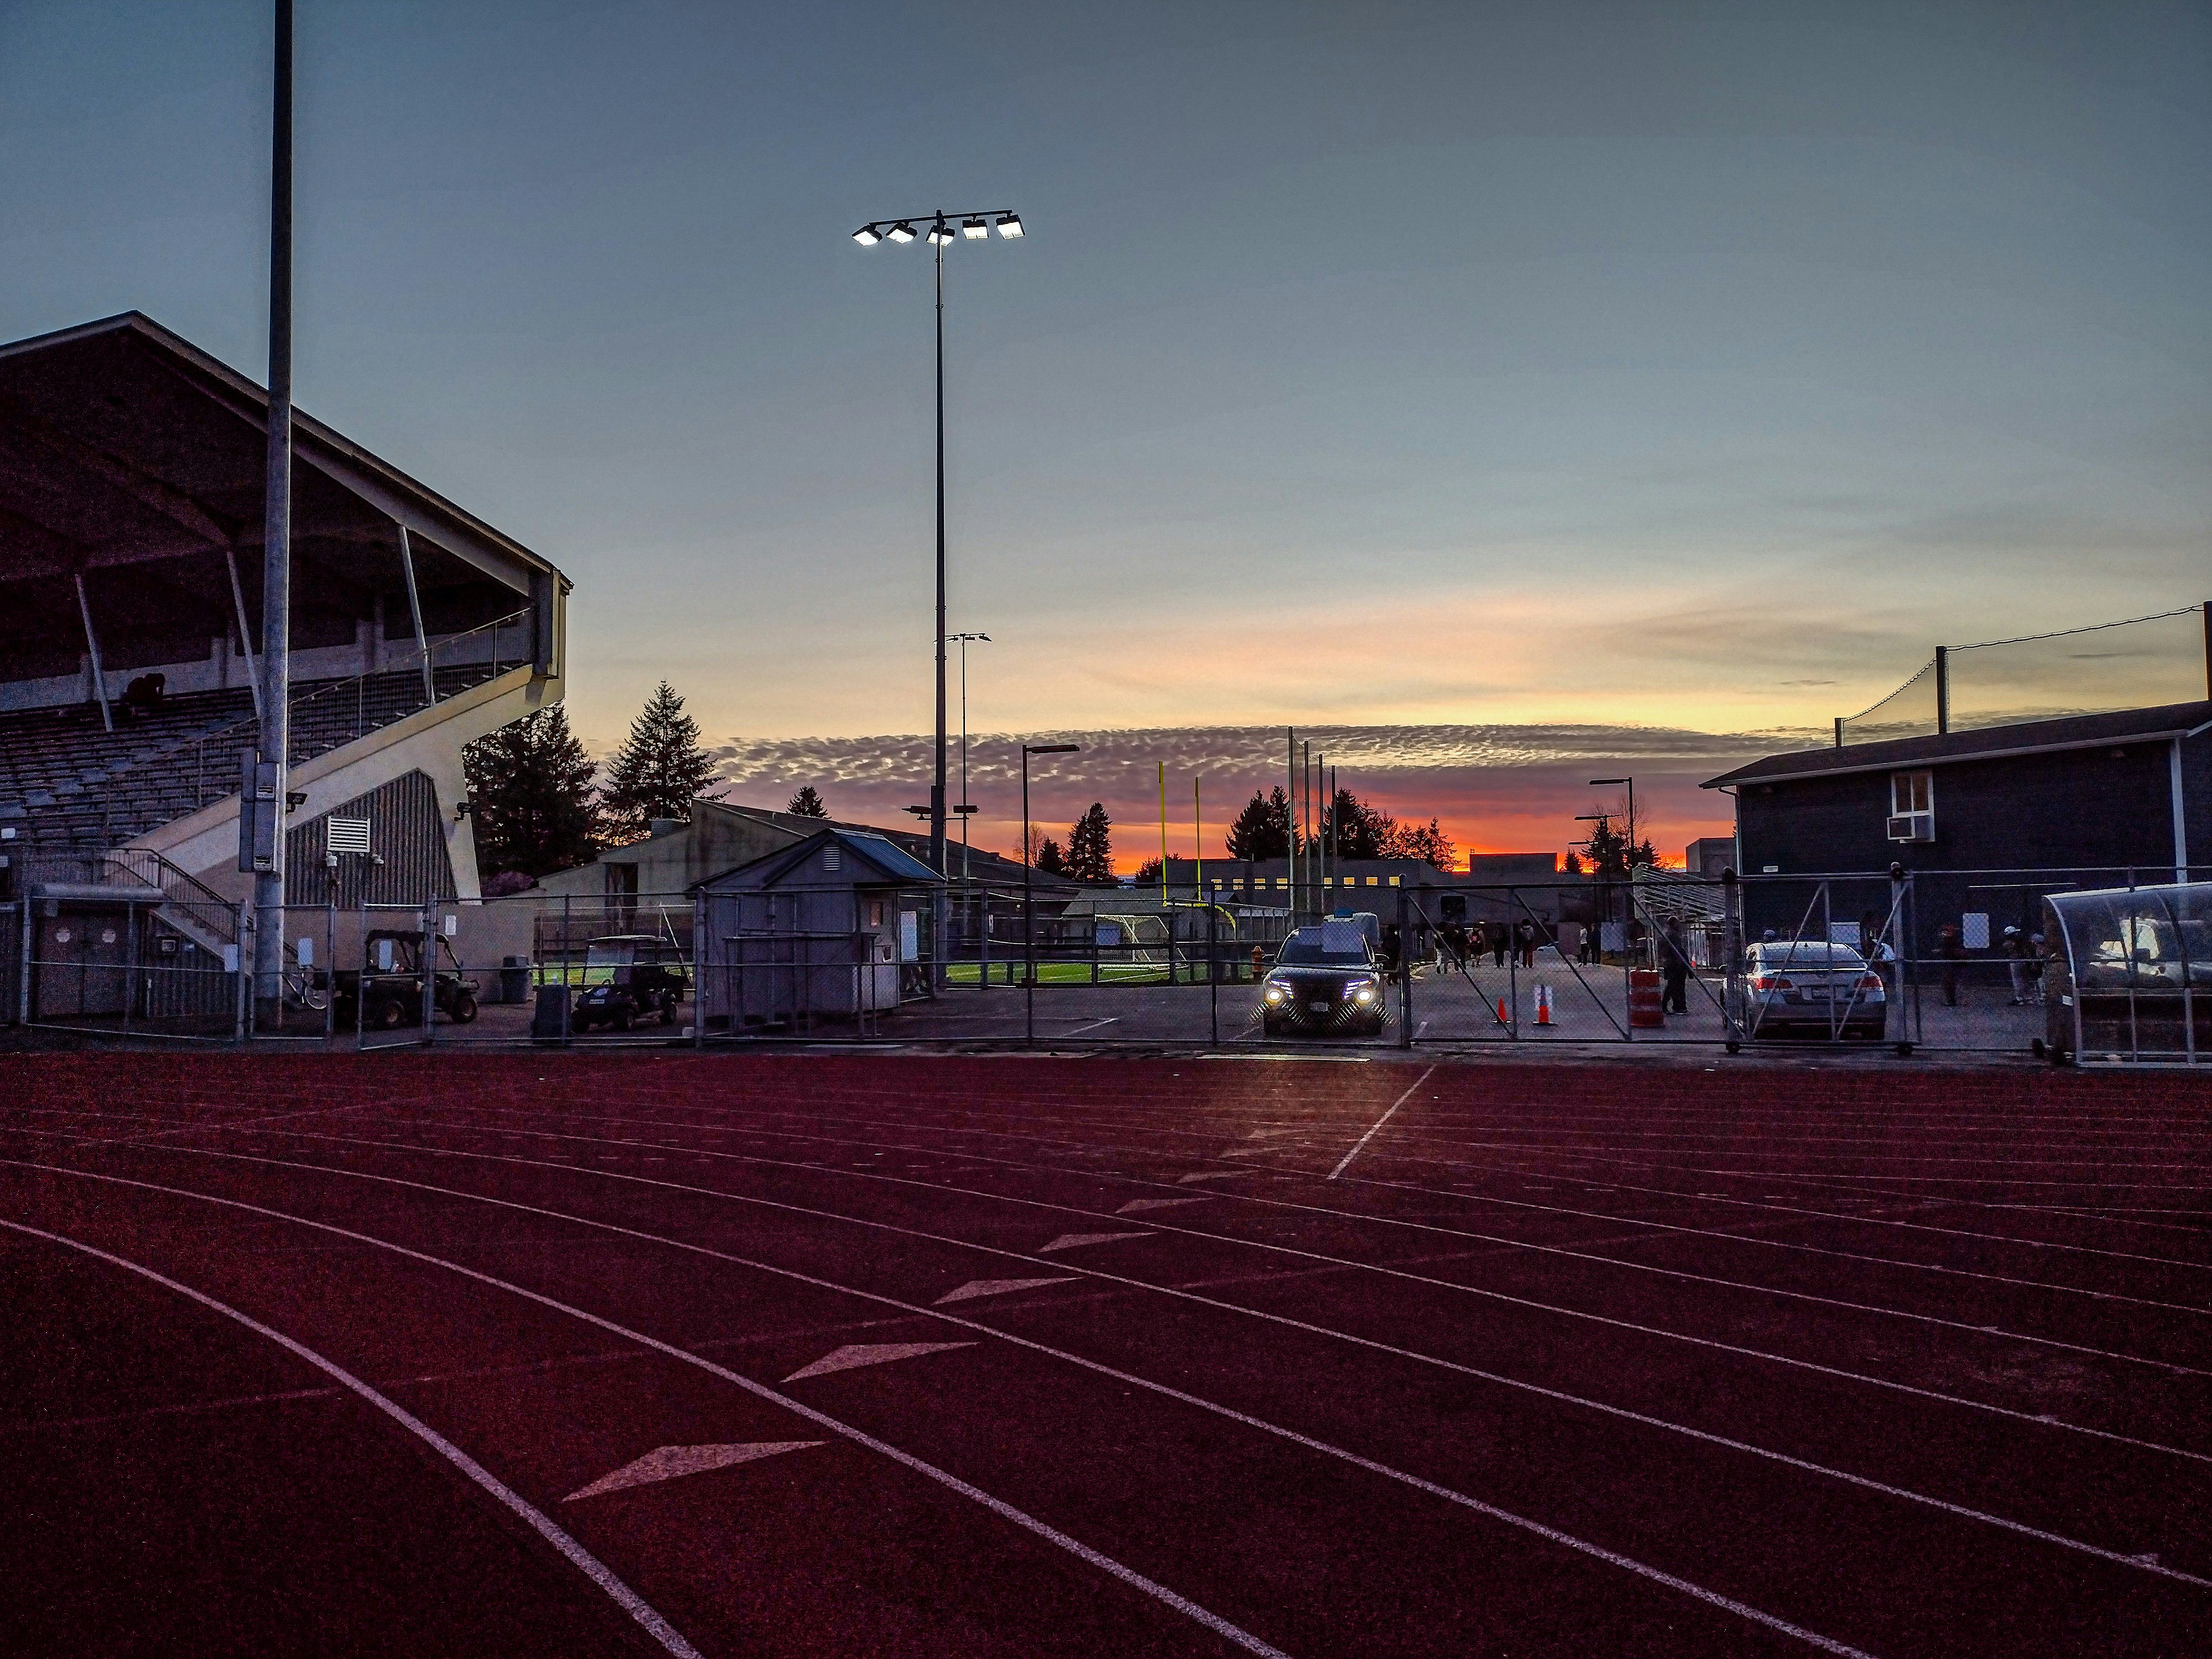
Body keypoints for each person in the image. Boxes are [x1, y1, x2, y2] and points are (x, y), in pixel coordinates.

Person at [1660, 921, 1691, 1014]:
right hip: (1675, 964)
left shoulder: (1668, 934)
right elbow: (1677, 951)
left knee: (1675, 986)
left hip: (1673, 964)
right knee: (1675, 986)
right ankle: (1675, 1006)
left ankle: (1679, 1006)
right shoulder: (1672, 935)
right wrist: (1681, 964)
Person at [1937, 922, 1967, 1006]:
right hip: (1950, 964)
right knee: (1948, 982)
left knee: (1950, 982)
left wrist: (1941, 951)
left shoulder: (1951, 941)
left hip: (1953, 964)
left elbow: (1951, 952)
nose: (1943, 934)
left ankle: (1952, 1001)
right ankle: (1951, 1000)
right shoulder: (1947, 941)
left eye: (1945, 932)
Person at [2002, 926, 2031, 1006]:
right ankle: (2028, 998)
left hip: (2016, 962)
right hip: (2023, 961)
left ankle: (2020, 999)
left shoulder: (2009, 943)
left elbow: (2007, 950)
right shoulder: (2019, 942)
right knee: (2024, 979)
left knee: (2018, 980)